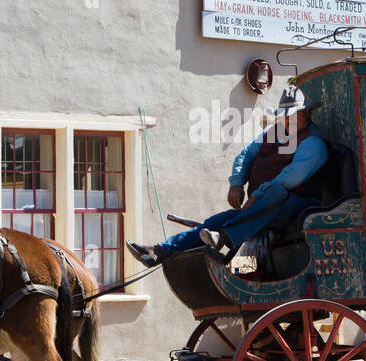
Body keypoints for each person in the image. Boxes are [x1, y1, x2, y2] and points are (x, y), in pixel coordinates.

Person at [127, 86, 328, 265]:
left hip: (296, 208)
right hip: (263, 207)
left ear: (307, 112)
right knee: (215, 222)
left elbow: (291, 178)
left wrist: (257, 196)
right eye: (286, 115)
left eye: (296, 114)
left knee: (275, 191)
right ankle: (160, 251)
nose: (290, 119)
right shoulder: (272, 132)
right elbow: (245, 156)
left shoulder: (313, 143)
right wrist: (237, 183)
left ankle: (224, 237)